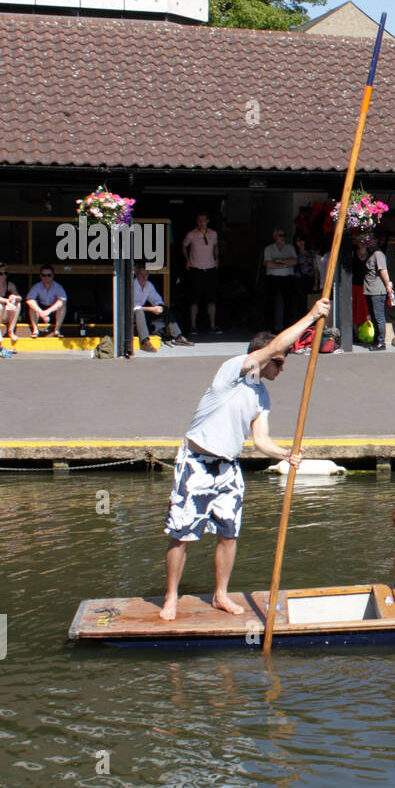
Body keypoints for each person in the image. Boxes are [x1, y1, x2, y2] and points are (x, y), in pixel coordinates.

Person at [159, 297, 330, 621]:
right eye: (280, 363)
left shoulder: (261, 395)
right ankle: (171, 596)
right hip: (196, 461)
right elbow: (277, 343)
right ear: (267, 359)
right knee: (182, 534)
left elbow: (261, 440)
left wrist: (287, 454)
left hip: (228, 467)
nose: (282, 369)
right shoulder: (235, 371)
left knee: (229, 531)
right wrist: (311, 315)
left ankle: (220, 594)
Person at [133, 267, 194, 351]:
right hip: (131, 313)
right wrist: (151, 309)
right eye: (141, 275)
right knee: (139, 312)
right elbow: (133, 307)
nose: (144, 277)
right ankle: (145, 341)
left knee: (165, 309)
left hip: (144, 311)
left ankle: (178, 336)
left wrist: (159, 307)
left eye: (146, 275)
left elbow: (156, 299)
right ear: (137, 275)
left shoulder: (148, 285)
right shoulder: (132, 285)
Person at [182, 213, 221, 334]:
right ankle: (193, 325)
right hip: (196, 268)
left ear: (207, 221)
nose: (201, 223)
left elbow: (215, 246)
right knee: (194, 299)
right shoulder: (191, 234)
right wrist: (187, 259)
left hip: (210, 268)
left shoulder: (213, 233)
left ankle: (212, 325)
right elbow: (184, 246)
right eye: (199, 221)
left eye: (203, 220)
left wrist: (216, 259)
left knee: (211, 299)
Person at [357, 233, 393, 350]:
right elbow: (361, 257)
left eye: (370, 239)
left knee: (379, 317)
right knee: (373, 316)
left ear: (376, 240)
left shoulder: (378, 254)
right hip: (370, 290)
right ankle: (377, 340)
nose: (367, 241)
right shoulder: (370, 253)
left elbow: (383, 270)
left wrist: (388, 285)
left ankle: (381, 342)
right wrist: (362, 246)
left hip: (377, 290)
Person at [263, 227, 298, 332]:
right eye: (280, 235)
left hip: (287, 278)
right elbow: (268, 264)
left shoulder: (290, 248)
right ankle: (270, 328)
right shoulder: (268, 249)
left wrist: (279, 261)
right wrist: (286, 264)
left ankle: (287, 327)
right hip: (272, 278)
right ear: (275, 237)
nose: (283, 238)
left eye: (284, 235)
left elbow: (295, 261)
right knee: (270, 303)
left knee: (288, 302)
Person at [25, 264, 68, 337]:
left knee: (63, 306)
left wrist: (48, 312)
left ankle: (57, 330)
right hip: (40, 311)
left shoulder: (58, 287)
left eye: (49, 275)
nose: (46, 277)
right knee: (32, 307)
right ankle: (35, 330)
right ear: (40, 276)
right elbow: (29, 300)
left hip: (53, 311)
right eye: (44, 275)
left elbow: (62, 300)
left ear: (53, 276)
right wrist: (41, 312)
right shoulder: (37, 286)